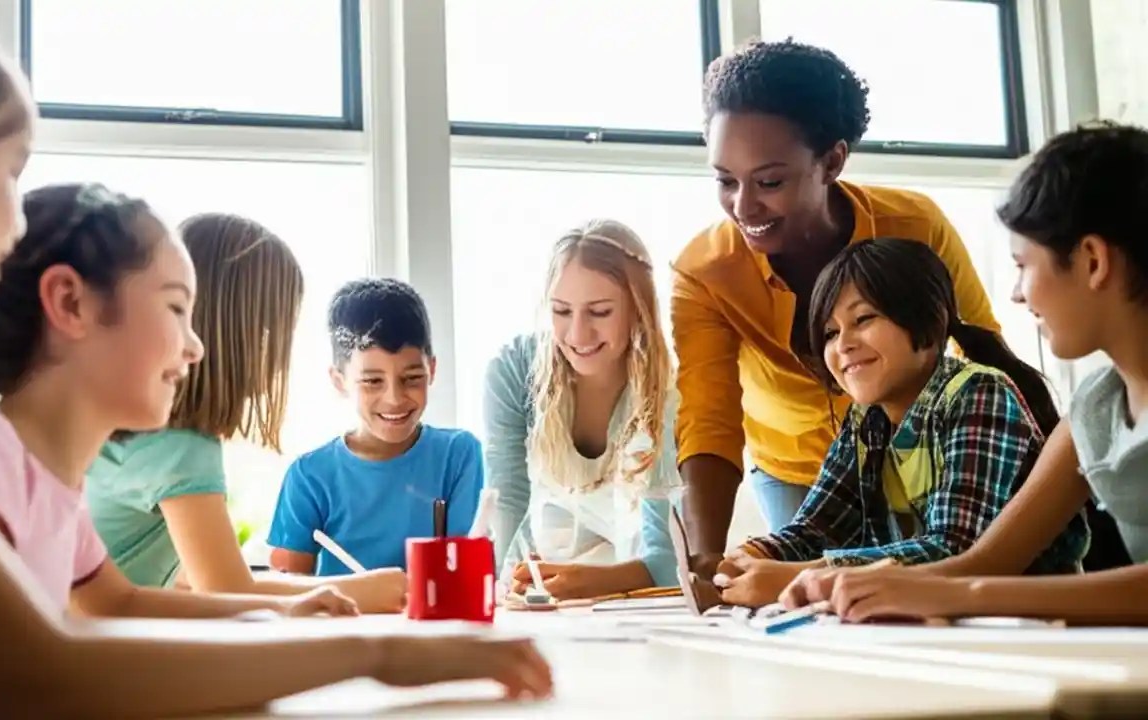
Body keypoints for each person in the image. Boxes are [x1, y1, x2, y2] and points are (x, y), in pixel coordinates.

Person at [0, 7, 551, 714]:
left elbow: (114, 603)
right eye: (11, 173)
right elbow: (41, 667)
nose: (195, 347)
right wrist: (374, 653)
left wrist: (294, 619)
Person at [780, 123, 1148, 626]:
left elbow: (972, 578)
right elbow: (983, 561)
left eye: (1022, 265)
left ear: (1092, 261)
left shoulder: (982, 393)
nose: (1016, 293)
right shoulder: (1093, 410)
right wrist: (855, 582)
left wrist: (960, 594)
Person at [672, 38, 1006, 577]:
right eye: (725, 180)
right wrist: (707, 562)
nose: (744, 205)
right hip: (797, 468)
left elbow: (981, 348)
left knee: (911, 580)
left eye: (770, 181)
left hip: (920, 453)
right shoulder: (704, 271)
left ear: (832, 161)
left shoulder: (915, 226)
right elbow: (709, 419)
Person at [711, 238, 1087, 607]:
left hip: (1029, 621)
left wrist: (806, 576)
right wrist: (750, 556)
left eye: (863, 319)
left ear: (926, 318)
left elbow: (954, 548)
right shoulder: (865, 420)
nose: (843, 344)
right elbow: (816, 529)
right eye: (830, 333)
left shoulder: (978, 393)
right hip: (932, 622)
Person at [86, 213, 405, 613]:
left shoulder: (130, 427)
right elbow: (226, 593)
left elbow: (198, 582)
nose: (281, 353)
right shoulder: (180, 445)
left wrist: (349, 588)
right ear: (248, 333)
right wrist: (366, 591)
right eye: (279, 329)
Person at [486, 220, 681, 600]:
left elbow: (668, 565)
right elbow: (508, 500)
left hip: (634, 587)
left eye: (600, 312)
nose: (577, 334)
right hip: (553, 575)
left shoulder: (668, 398)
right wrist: (502, 586)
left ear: (638, 309)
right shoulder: (515, 371)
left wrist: (585, 581)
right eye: (561, 311)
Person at [268, 278, 484, 575]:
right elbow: (288, 587)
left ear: (432, 370)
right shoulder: (308, 476)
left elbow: (464, 573)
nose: (394, 399)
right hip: (341, 609)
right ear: (339, 380)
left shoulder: (458, 455)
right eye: (372, 381)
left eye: (412, 378)